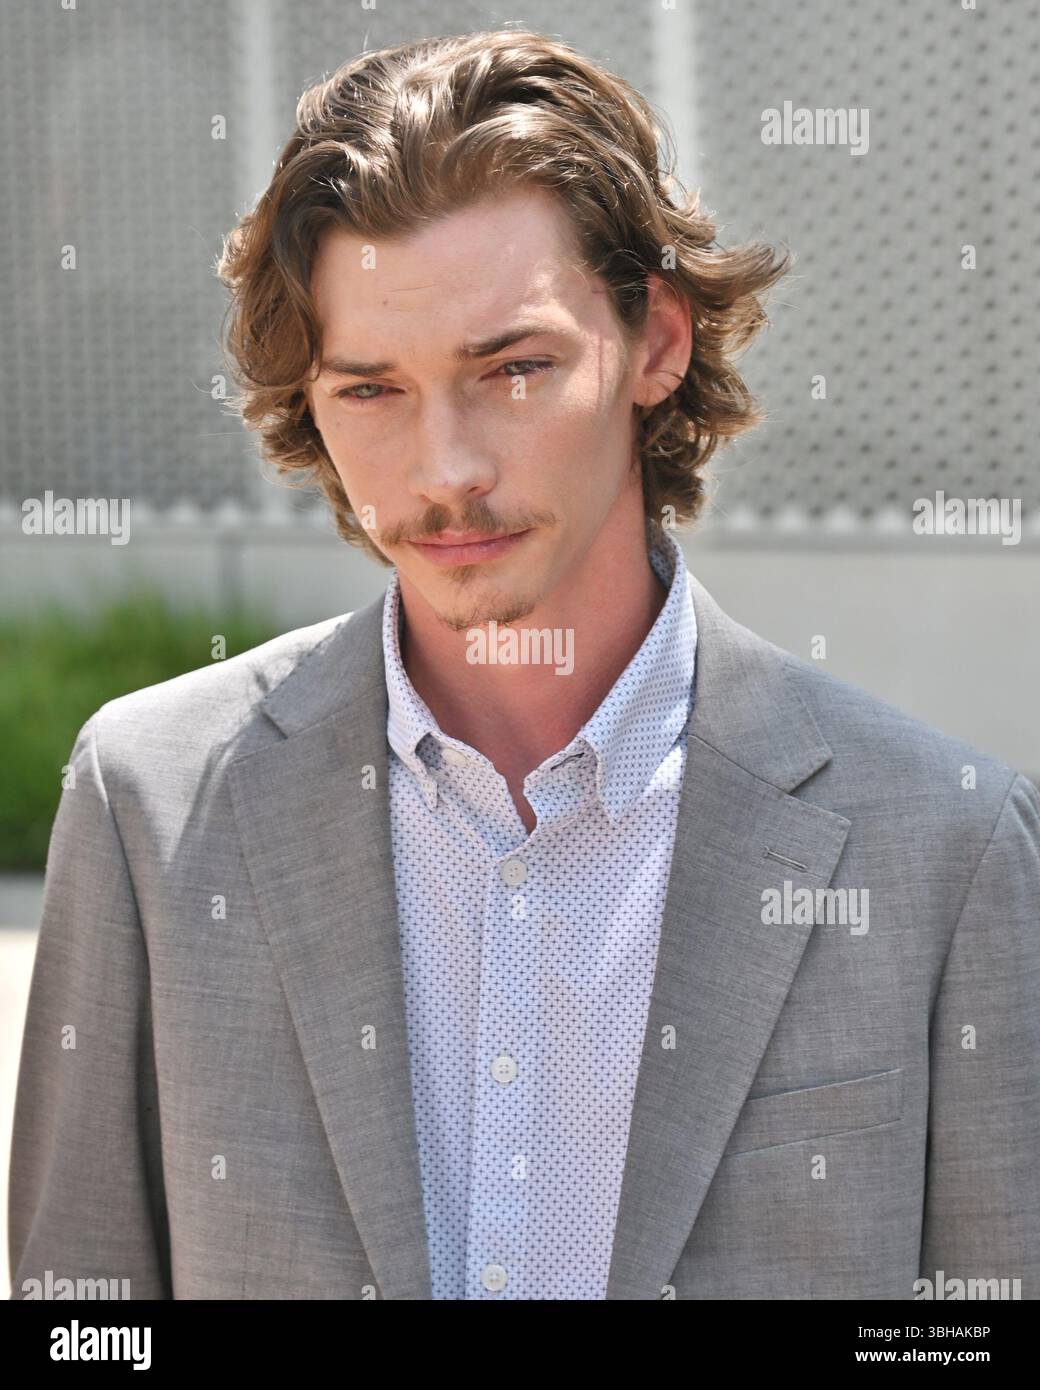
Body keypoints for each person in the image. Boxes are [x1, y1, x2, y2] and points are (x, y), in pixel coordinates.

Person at [9, 29, 1040, 1301]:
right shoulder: (149, 804)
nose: (444, 472)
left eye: (513, 369)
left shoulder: (942, 847)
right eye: (372, 391)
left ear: (655, 341)